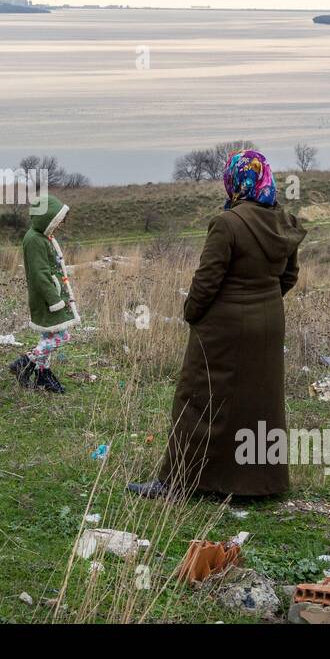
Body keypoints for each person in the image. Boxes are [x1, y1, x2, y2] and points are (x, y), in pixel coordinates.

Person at [129, 149, 305, 499]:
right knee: (259, 403)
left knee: (199, 399)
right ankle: (261, 484)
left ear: (235, 180)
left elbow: (206, 281)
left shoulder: (228, 223)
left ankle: (179, 481)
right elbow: (289, 276)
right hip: (269, 324)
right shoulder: (284, 222)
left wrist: (193, 313)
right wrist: (263, 301)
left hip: (224, 326)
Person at [9, 193, 79, 394]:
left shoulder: (40, 236)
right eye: (58, 221)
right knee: (62, 336)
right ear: (47, 218)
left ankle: (43, 373)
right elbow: (40, 274)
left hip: (47, 297)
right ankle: (26, 361)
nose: (60, 226)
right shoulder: (35, 240)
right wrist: (55, 300)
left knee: (47, 336)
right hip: (47, 299)